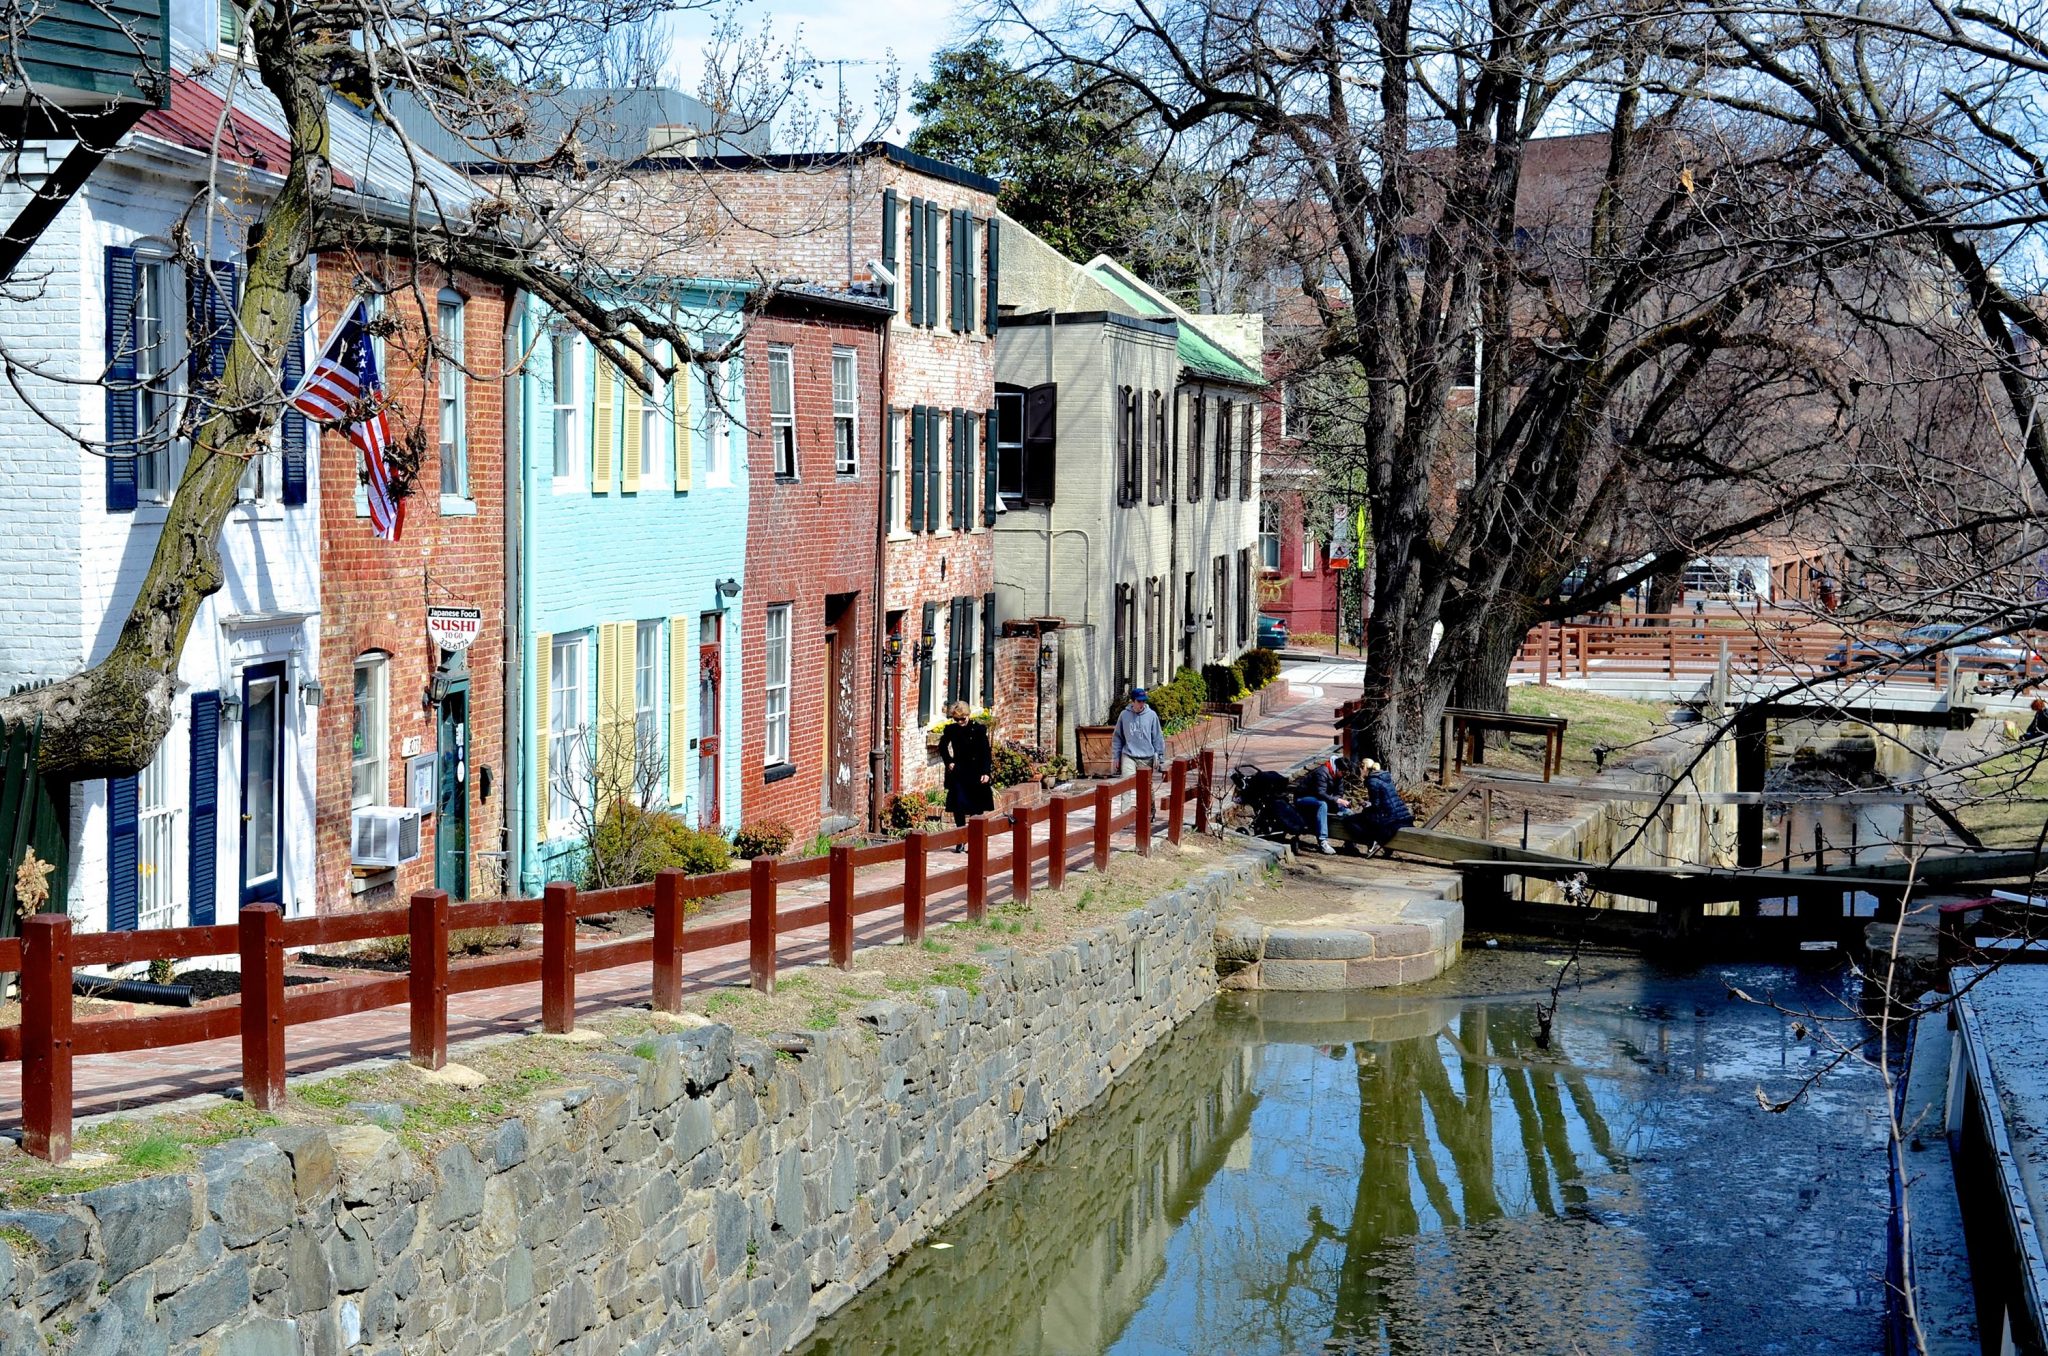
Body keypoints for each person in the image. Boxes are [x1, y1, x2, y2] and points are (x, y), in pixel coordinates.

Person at [936, 702, 993, 850]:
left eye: (962, 719)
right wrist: (949, 761)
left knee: (976, 807)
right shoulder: (951, 730)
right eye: (956, 720)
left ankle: (975, 839)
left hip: (976, 771)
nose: (960, 722)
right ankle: (961, 838)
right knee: (958, 806)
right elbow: (942, 746)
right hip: (959, 771)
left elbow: (986, 752)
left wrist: (986, 772)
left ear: (968, 716)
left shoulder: (978, 730)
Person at [1354, 758, 1414, 857]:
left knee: (1353, 820)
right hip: (1402, 814)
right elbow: (1382, 800)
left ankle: (1371, 842)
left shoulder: (1372, 781)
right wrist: (1369, 804)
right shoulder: (1383, 777)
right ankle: (1383, 846)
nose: (1359, 772)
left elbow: (1376, 806)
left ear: (1364, 768)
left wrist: (1366, 808)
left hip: (1391, 817)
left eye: (1359, 769)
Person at [1293, 756, 1352, 855]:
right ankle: (1323, 841)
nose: (1344, 775)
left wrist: (1339, 801)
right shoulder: (1322, 772)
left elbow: (1339, 792)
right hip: (1303, 798)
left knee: (1346, 810)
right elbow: (1320, 793)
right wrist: (1336, 800)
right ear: (1337, 768)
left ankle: (1350, 841)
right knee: (1322, 804)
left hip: (1320, 798)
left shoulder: (1339, 776)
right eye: (1343, 772)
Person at [1111, 688, 1166, 773]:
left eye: (1143, 701)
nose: (1142, 704)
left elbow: (1157, 737)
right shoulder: (1124, 715)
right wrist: (1116, 757)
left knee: (1143, 786)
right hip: (1129, 756)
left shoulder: (1151, 715)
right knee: (1128, 784)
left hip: (1147, 758)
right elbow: (1118, 737)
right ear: (1132, 702)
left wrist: (1159, 757)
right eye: (1139, 701)